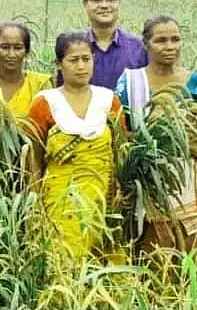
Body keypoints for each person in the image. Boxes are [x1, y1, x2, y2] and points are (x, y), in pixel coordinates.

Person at [114, 14, 197, 257]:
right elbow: (120, 133)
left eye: (175, 39)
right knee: (153, 249)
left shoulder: (196, 81)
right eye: (161, 40)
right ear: (146, 44)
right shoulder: (130, 81)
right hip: (146, 179)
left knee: (190, 248)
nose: (170, 47)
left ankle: (187, 294)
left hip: (185, 175)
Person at [25, 30, 127, 267]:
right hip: (60, 201)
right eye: (73, 60)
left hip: (104, 200)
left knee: (106, 264)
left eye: (86, 58)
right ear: (59, 64)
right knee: (65, 263)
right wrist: (34, 204)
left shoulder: (108, 100)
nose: (81, 66)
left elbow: (120, 150)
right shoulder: (45, 102)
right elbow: (33, 159)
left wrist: (121, 192)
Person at [63, 0, 148, 90]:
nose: (104, 5)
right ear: (85, 4)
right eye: (96, 0)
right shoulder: (72, 48)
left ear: (119, 2)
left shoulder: (138, 48)